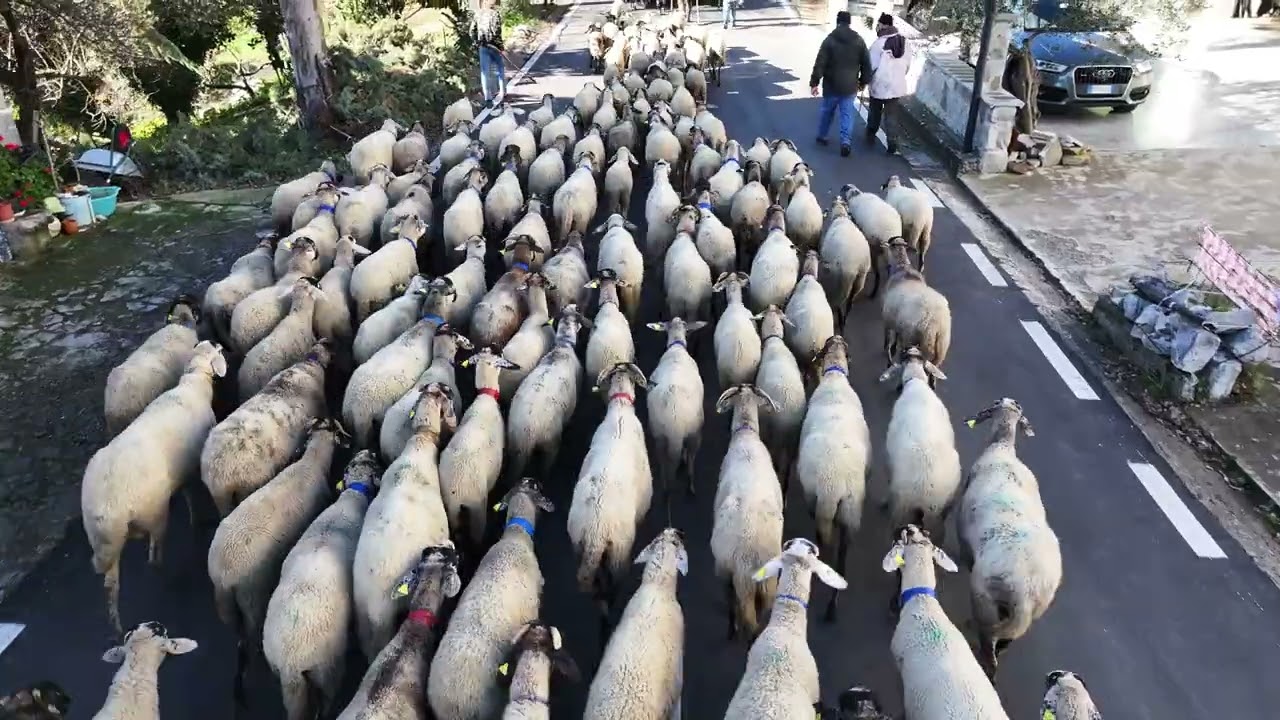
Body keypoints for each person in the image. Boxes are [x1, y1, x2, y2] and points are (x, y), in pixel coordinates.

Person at [809, 11, 872, 157]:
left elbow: (820, 63)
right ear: (849, 23)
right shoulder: (859, 41)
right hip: (849, 86)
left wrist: (814, 82)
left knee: (827, 112)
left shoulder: (830, 40)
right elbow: (866, 64)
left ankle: (822, 136)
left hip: (831, 85)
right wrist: (863, 82)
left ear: (838, 22)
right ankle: (845, 142)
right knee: (847, 115)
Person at [866, 12, 912, 154]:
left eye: (878, 25)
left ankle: (870, 135)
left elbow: (871, 66)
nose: (877, 27)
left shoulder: (878, 44)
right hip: (896, 86)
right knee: (891, 115)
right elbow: (908, 65)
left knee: (875, 111)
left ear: (882, 25)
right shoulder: (905, 43)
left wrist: (864, 80)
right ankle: (892, 142)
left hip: (879, 85)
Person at [471, 0, 508, 106]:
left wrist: (476, 43)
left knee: (485, 72)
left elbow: (472, 31)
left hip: (483, 46)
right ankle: (502, 91)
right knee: (500, 68)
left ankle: (488, 98)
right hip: (494, 46)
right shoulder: (495, 14)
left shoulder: (477, 14)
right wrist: (500, 46)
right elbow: (497, 31)